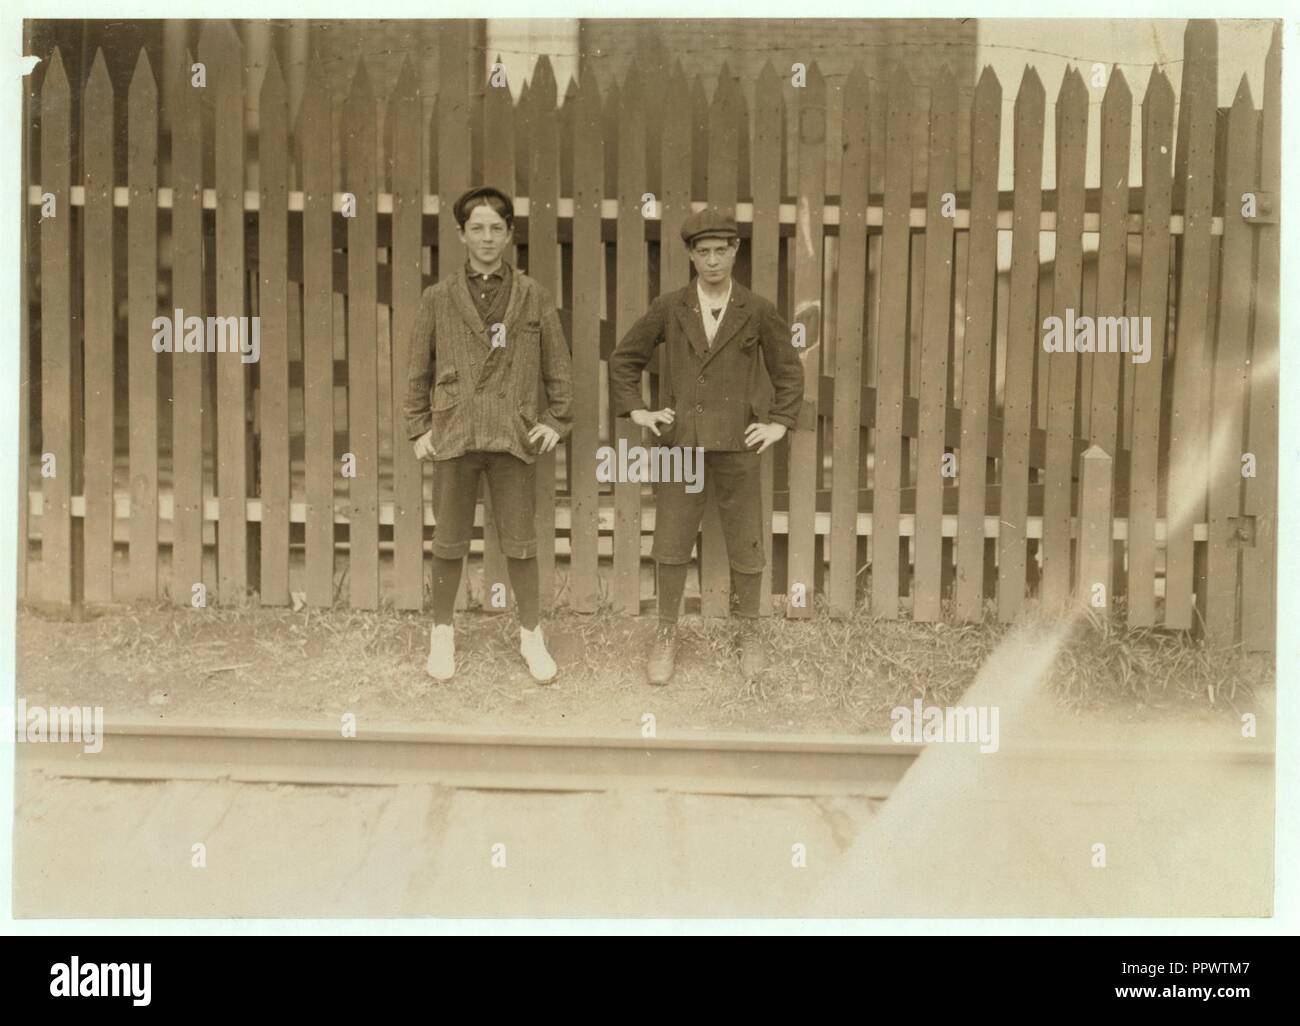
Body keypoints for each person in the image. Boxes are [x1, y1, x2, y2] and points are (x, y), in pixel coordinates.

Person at [608, 207, 804, 685]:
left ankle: (750, 632)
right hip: (681, 444)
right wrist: (641, 412)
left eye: (722, 251)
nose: (713, 261)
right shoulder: (670, 307)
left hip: (738, 442)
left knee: (745, 539)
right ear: (691, 256)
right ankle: (666, 634)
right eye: (703, 252)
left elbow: (788, 370)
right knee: (672, 539)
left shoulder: (755, 309)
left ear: (735, 252)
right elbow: (624, 360)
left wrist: (778, 423)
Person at [404, 186, 573, 683]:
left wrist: (555, 420)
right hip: (455, 434)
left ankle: (531, 635)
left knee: (521, 541)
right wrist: (418, 428)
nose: (486, 238)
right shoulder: (438, 298)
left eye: (496, 228)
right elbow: (417, 371)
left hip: (512, 435)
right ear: (461, 235)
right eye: (476, 228)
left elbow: (558, 368)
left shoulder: (532, 296)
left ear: (510, 235)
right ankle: (442, 635)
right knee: (448, 541)